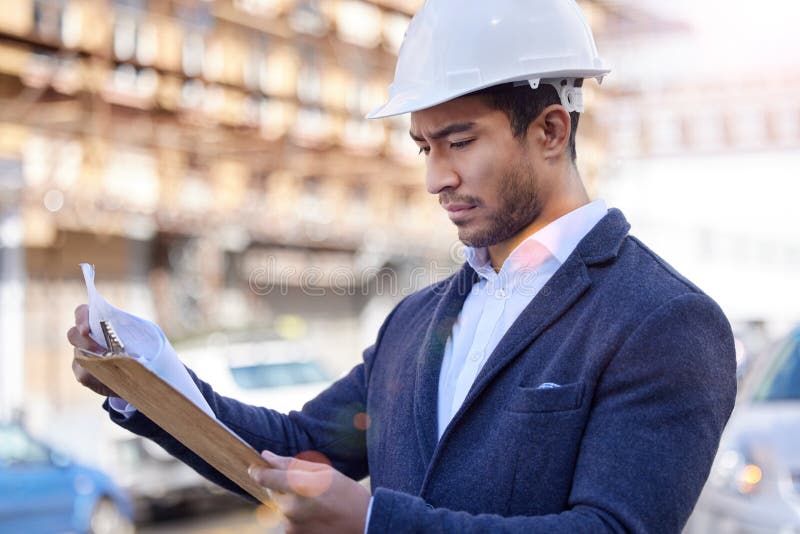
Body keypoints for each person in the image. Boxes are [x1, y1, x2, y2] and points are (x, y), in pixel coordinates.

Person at [68, 1, 737, 532]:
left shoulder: (663, 322)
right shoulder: (416, 321)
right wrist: (144, 374)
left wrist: (373, 524)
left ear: (551, 131)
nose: (434, 179)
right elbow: (298, 448)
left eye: (460, 142)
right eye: (423, 147)